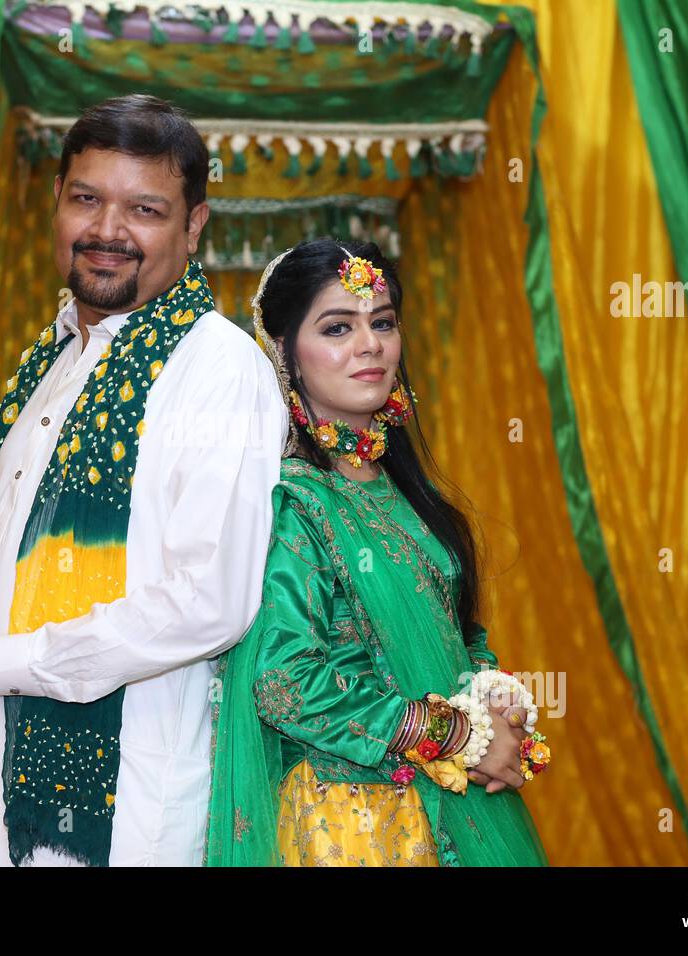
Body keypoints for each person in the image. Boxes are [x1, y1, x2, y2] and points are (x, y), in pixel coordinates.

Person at [0, 94, 286, 866]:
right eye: (86, 199)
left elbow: (208, 600)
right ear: (58, 204)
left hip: (124, 806)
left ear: (195, 226)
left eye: (144, 209)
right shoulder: (54, 353)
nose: (108, 232)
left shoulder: (218, 366)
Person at [206, 238, 551, 866]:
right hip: (351, 825)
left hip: (448, 806)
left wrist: (491, 694)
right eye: (339, 327)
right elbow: (286, 684)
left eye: (383, 322)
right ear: (284, 353)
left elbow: (455, 635)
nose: (370, 344)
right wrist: (454, 733)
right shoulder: (292, 503)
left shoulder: (409, 496)